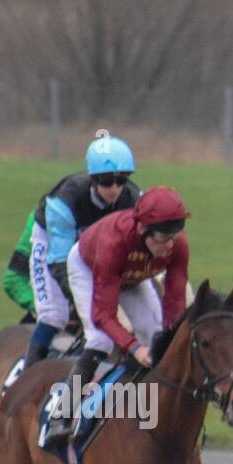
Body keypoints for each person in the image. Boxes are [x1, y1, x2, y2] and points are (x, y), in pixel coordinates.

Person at [42, 186, 190, 447]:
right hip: (89, 267)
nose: (170, 246)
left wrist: (167, 336)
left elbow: (175, 302)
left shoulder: (176, 246)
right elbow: (103, 314)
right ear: (143, 230)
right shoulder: (114, 243)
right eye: (164, 238)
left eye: (174, 237)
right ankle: (61, 413)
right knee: (100, 340)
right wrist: (133, 348)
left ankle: (146, 408)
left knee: (153, 331)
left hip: (133, 274)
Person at [12, 135, 141, 362]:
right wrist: (78, 299)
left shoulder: (133, 199)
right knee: (54, 315)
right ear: (92, 179)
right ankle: (26, 375)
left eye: (121, 180)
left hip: (93, 249)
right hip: (53, 246)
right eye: (106, 181)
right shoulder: (64, 202)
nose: (114, 189)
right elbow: (59, 261)